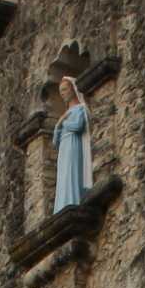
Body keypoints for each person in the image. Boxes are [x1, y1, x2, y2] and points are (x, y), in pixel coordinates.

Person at [52, 76, 92, 212]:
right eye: (61, 91)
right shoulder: (65, 114)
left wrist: (64, 122)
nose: (63, 93)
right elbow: (54, 142)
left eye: (65, 89)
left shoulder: (80, 109)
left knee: (72, 172)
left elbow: (78, 126)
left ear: (73, 89)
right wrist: (58, 125)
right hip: (64, 147)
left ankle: (74, 200)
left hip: (74, 144)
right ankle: (63, 204)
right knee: (63, 177)